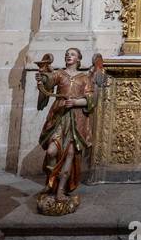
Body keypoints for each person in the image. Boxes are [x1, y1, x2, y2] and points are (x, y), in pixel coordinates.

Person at [33, 47, 97, 213]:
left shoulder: (85, 77)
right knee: (52, 151)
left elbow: (90, 100)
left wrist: (76, 103)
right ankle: (51, 182)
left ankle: (60, 190)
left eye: (73, 54)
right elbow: (47, 86)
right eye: (67, 54)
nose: (69, 56)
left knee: (70, 154)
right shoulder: (59, 74)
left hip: (76, 120)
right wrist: (41, 79)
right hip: (60, 117)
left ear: (78, 59)